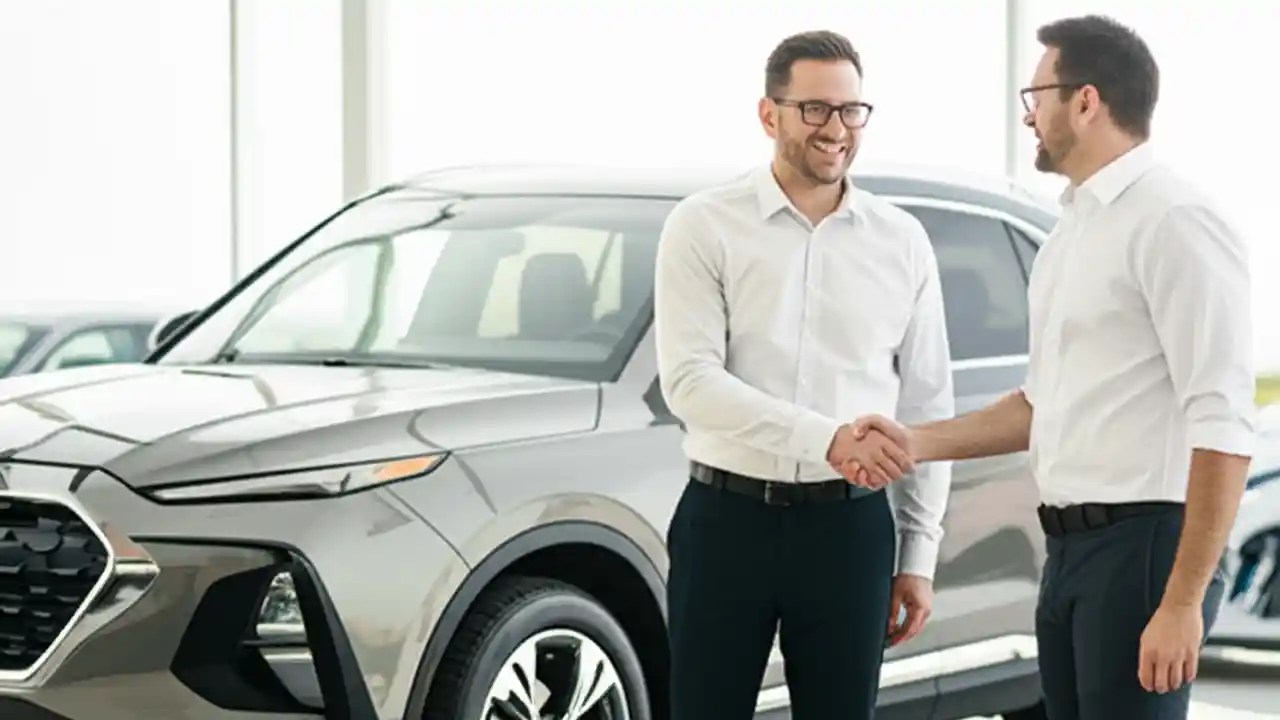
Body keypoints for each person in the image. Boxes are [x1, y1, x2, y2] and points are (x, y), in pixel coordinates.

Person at [842, 15, 1255, 720]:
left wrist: (1183, 602)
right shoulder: (1073, 232)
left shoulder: (1175, 220)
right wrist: (914, 442)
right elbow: (1041, 405)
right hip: (1067, 553)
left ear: (1086, 100)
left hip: (1145, 551)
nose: (1028, 117)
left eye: (1037, 97)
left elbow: (1224, 424)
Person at [653, 29, 955, 720]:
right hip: (724, 525)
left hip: (848, 533)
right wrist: (828, 438)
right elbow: (692, 383)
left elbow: (928, 403)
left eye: (851, 111)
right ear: (770, 115)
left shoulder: (901, 240)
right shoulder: (704, 225)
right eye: (815, 109)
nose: (836, 129)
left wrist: (918, 554)